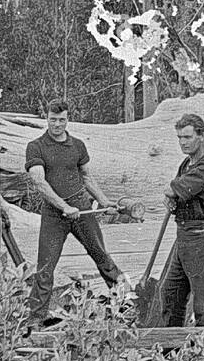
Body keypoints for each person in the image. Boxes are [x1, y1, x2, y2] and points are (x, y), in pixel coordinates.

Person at [24, 99, 127, 324]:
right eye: (53, 120)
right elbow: (39, 182)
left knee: (102, 256)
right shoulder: (36, 146)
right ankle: (35, 322)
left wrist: (104, 200)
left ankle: (126, 307)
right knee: (45, 268)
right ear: (47, 118)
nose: (58, 125)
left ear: (68, 119)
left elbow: (87, 177)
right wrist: (63, 207)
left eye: (62, 120)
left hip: (81, 209)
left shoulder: (78, 145)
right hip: (54, 214)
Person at [161, 113, 204, 327]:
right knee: (170, 292)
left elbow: (175, 189)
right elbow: (177, 195)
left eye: (187, 137)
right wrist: (173, 201)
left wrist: (171, 193)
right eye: (179, 137)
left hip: (203, 238)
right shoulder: (187, 164)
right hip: (185, 236)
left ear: (202, 136)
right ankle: (170, 354)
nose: (183, 142)